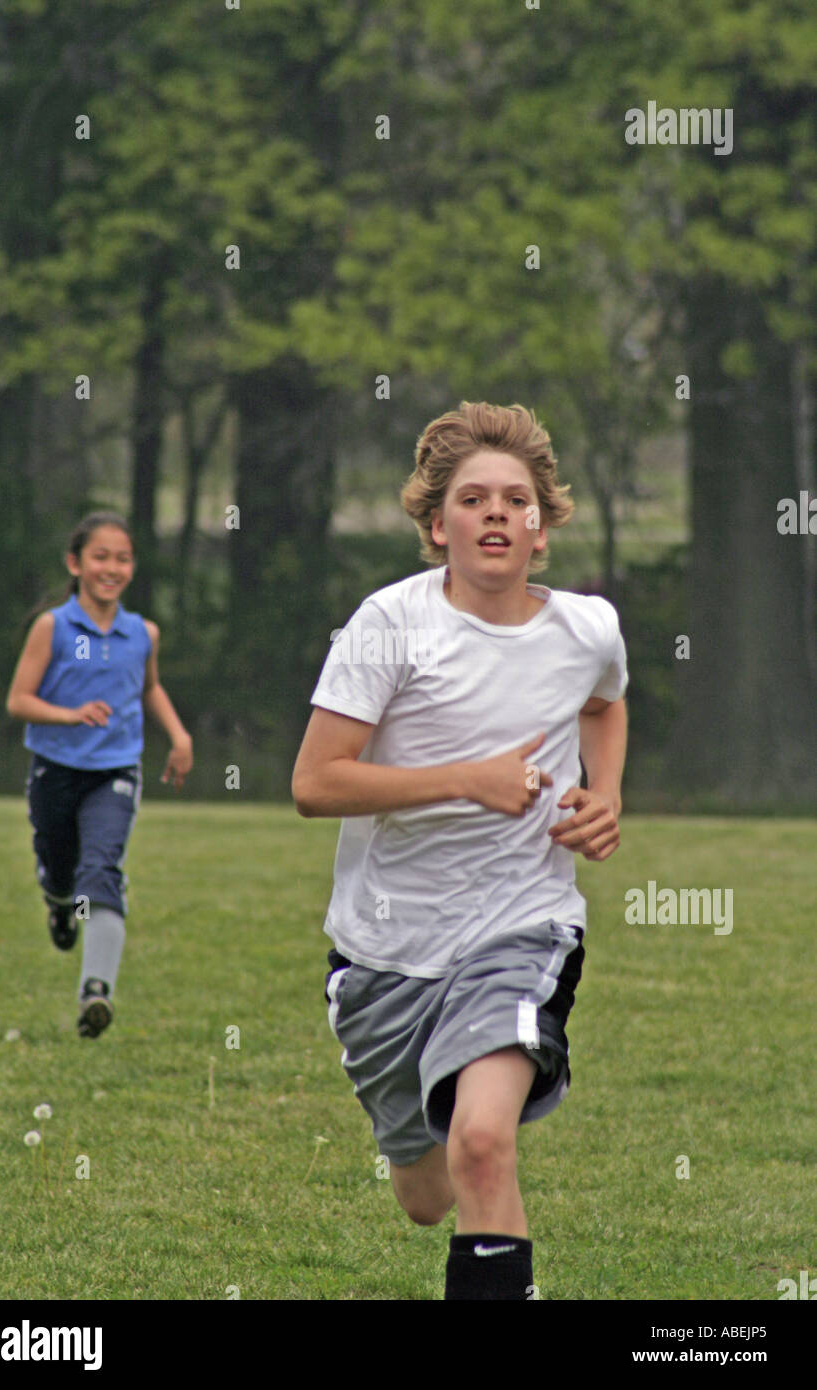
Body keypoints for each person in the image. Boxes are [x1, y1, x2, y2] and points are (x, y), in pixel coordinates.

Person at [292, 401, 628, 1300]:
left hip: (521, 927)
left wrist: (606, 794)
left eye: (514, 499)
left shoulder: (586, 629)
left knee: (483, 1140)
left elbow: (603, 701)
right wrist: (464, 779)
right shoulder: (388, 626)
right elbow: (316, 783)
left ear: (541, 524)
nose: (494, 512)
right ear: (436, 525)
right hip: (385, 951)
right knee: (426, 1193)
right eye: (471, 498)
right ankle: (408, 1122)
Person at [6, 511, 193, 1038]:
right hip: (56, 771)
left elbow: (149, 687)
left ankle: (96, 991)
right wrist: (70, 714)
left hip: (114, 772)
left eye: (123, 558)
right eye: (101, 557)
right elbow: (18, 699)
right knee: (61, 868)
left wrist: (178, 736)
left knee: (101, 867)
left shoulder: (143, 633)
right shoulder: (54, 628)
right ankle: (60, 907)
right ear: (76, 563)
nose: (112, 568)